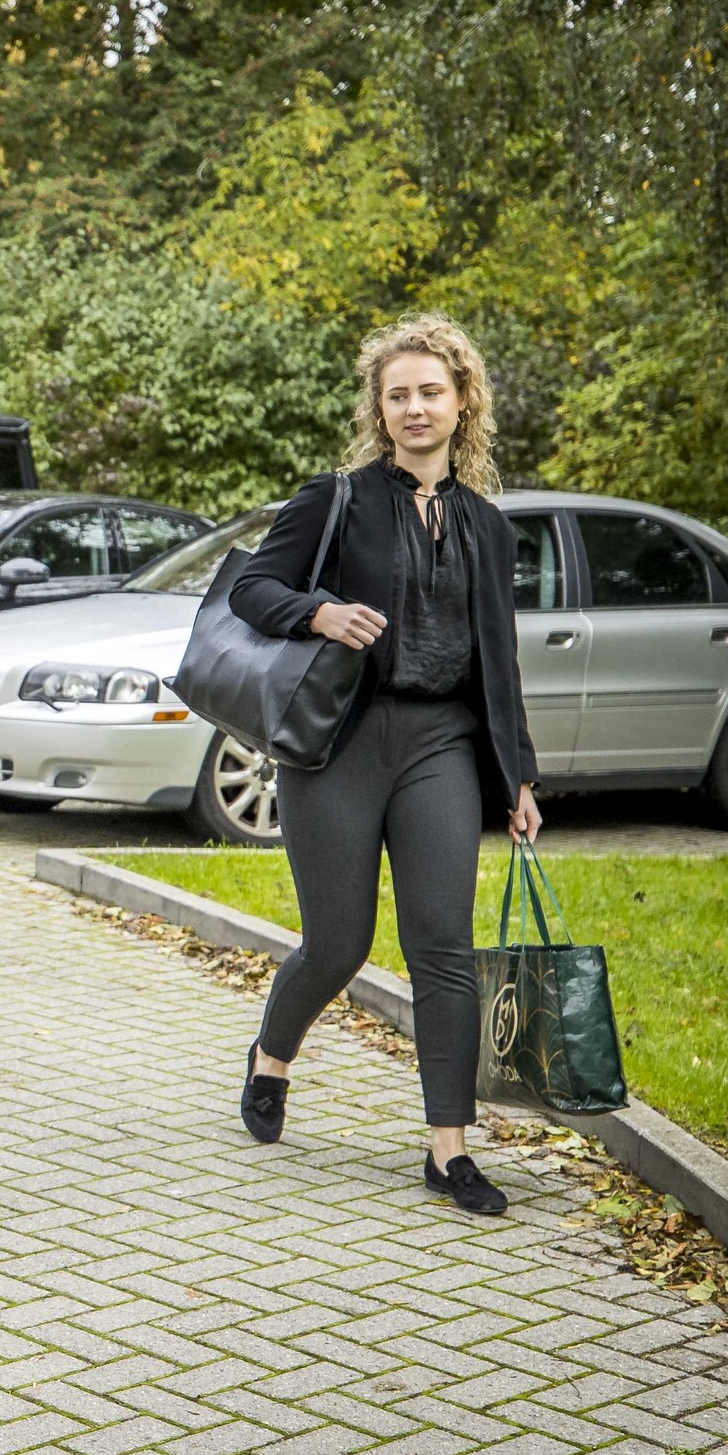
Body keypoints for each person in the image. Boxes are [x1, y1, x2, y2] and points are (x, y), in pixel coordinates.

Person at [228, 315, 540, 1214]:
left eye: (430, 392)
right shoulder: (336, 500)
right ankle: (271, 1055)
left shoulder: (487, 525)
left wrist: (516, 773)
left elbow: (498, 657)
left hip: (441, 743)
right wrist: (321, 612)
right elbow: (253, 589)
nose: (414, 408)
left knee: (443, 945)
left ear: (461, 402)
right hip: (340, 743)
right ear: (379, 406)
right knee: (338, 941)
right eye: (397, 394)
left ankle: (448, 1150)